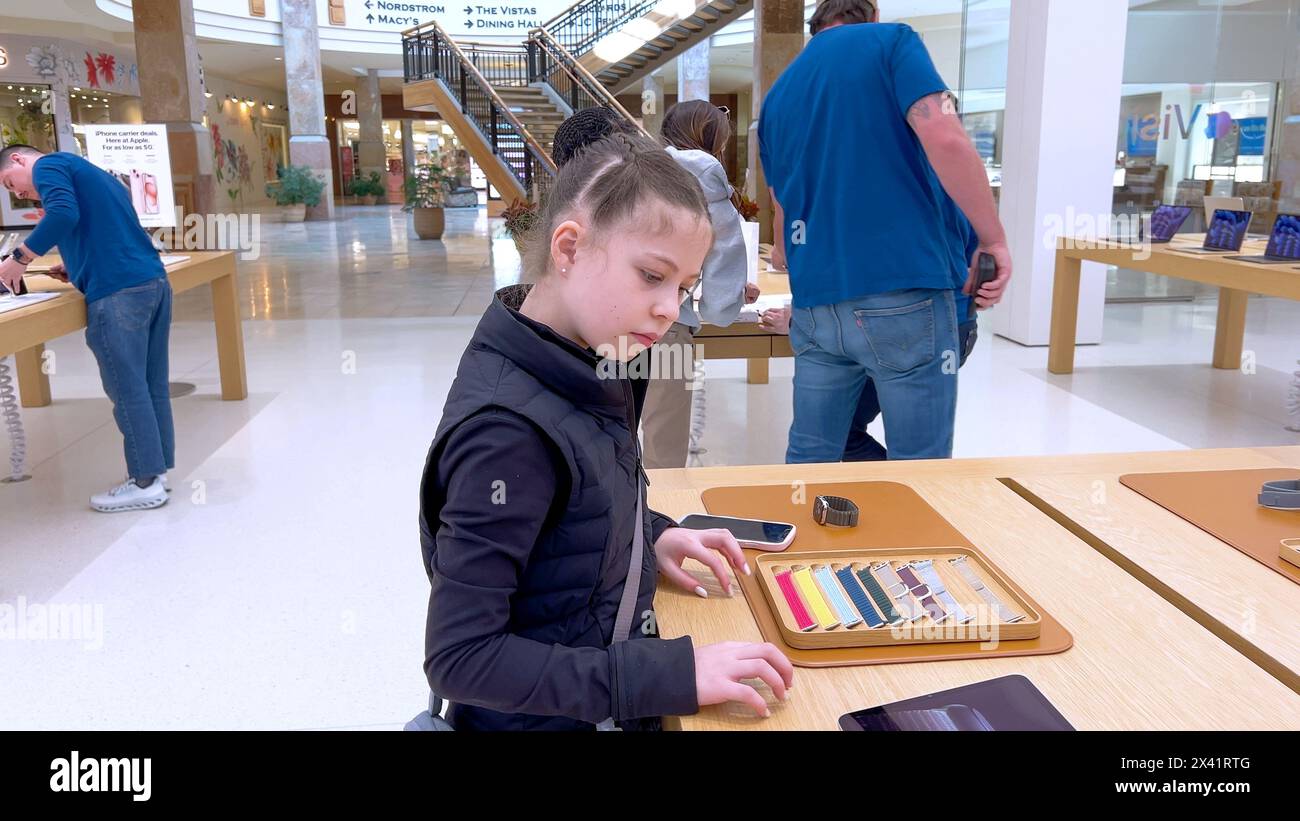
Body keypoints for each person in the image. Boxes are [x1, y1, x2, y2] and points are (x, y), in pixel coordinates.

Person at [419, 133, 793, 731]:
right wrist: (665, 677)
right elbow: (462, 659)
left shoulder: (589, 356)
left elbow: (580, 506)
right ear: (569, 247)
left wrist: (650, 537)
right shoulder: (507, 436)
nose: (670, 308)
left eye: (684, 287)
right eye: (651, 275)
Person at [758, 0, 1011, 463]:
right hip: (904, 291)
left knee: (812, 452)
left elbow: (783, 211)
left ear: (817, 25)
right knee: (919, 461)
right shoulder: (893, 42)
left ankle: (806, 511)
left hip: (815, 307)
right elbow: (945, 136)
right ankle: (902, 509)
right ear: (871, 14)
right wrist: (992, 239)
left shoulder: (777, 96)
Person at [0, 144, 174, 512]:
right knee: (150, 384)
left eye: (10, 183)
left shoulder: (48, 166)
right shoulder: (89, 172)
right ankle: (157, 471)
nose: (19, 193)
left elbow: (63, 213)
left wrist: (19, 258)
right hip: (151, 282)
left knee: (127, 389)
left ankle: (144, 481)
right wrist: (78, 264)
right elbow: (104, 222)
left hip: (117, 292)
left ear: (18, 160)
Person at [642, 100, 754, 468]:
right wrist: (726, 302)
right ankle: (658, 507)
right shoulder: (709, 181)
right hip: (665, 326)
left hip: (606, 321)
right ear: (713, 139)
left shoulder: (638, 172)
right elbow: (723, 265)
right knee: (663, 445)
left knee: (610, 433)